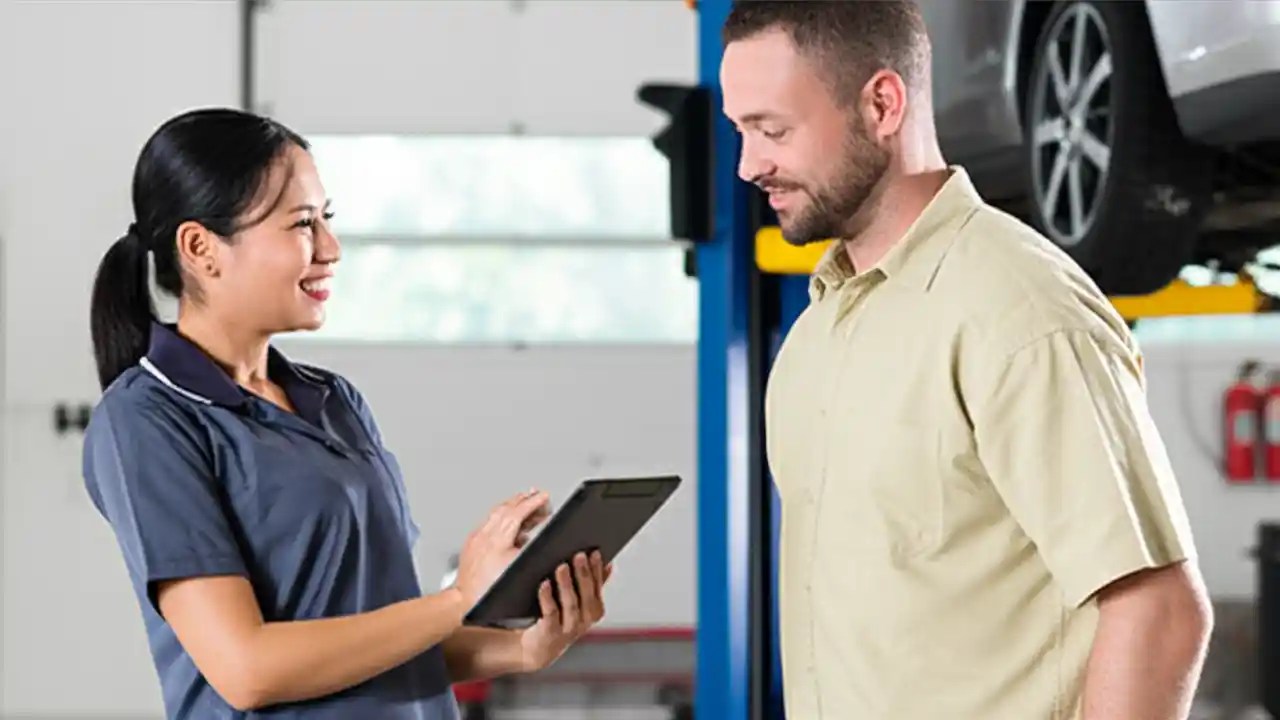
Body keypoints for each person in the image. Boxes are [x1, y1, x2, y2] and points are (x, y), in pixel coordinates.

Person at [719, 2, 1212, 718]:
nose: (748, 165)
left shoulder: (1017, 310)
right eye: (741, 131)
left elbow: (1159, 613)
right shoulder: (816, 335)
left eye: (773, 130)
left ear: (883, 104)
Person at [82, 107, 610, 719]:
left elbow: (381, 639)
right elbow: (247, 669)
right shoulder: (146, 422)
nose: (329, 249)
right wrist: (459, 598)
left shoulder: (333, 401)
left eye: (326, 220)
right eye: (302, 225)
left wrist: (521, 648)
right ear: (201, 248)